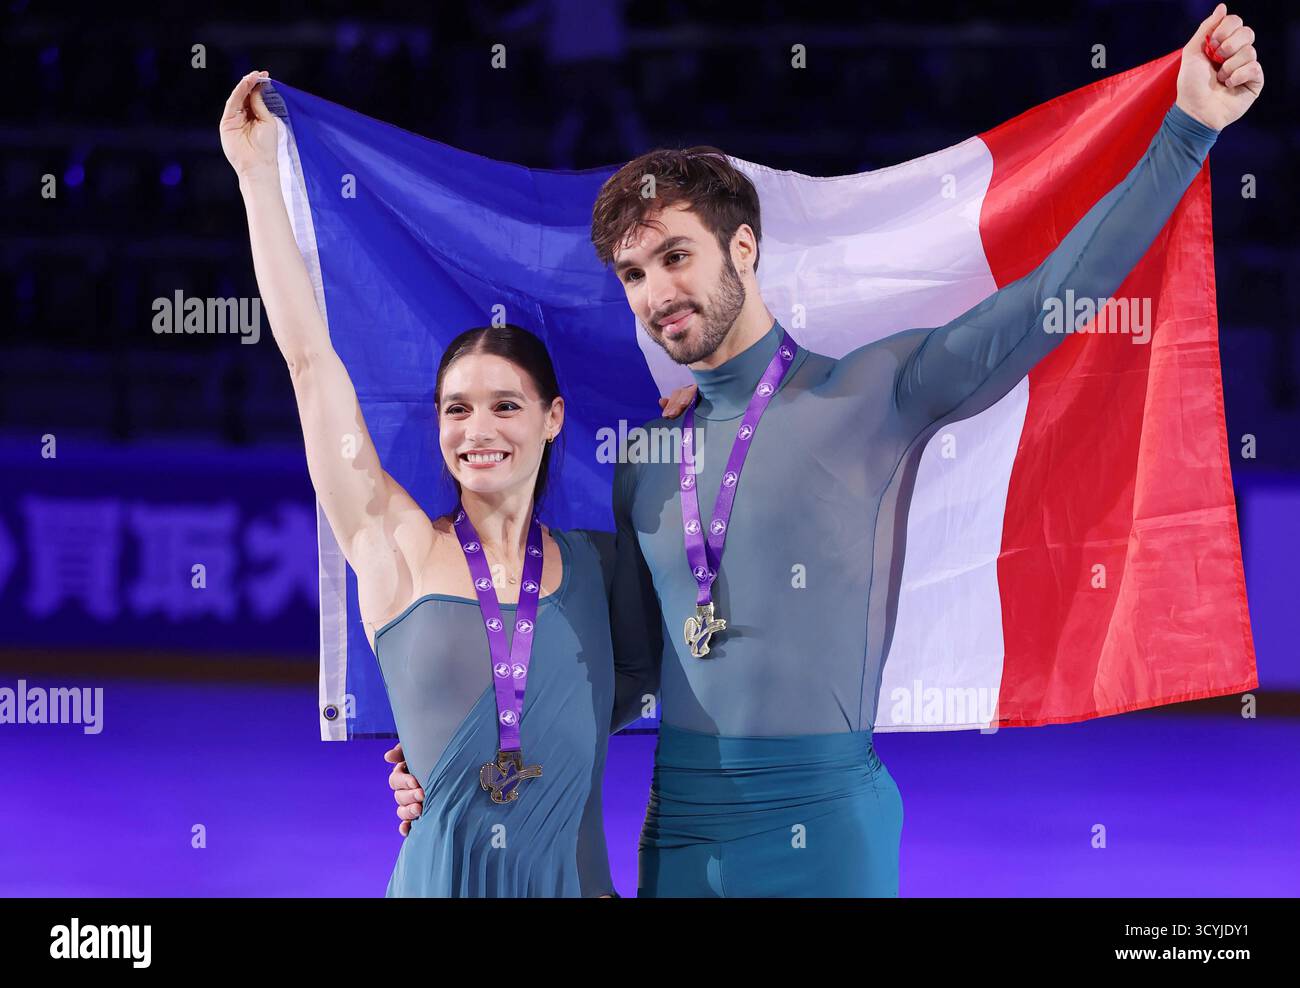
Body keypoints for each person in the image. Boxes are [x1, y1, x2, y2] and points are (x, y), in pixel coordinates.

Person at [387, 5, 1262, 896]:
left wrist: (1187, 131)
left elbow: (1049, 300)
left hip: (828, 830)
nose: (656, 294)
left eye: (676, 258)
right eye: (634, 275)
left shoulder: (873, 394)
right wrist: (462, 764)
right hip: (679, 832)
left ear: (744, 246)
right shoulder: (648, 458)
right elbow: (625, 670)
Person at [221, 70, 695, 896]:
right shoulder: (392, 545)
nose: (477, 432)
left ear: (552, 419)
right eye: (456, 410)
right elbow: (309, 364)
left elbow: (643, 678)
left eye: (505, 406)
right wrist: (258, 177)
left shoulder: (599, 566)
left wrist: (709, 405)